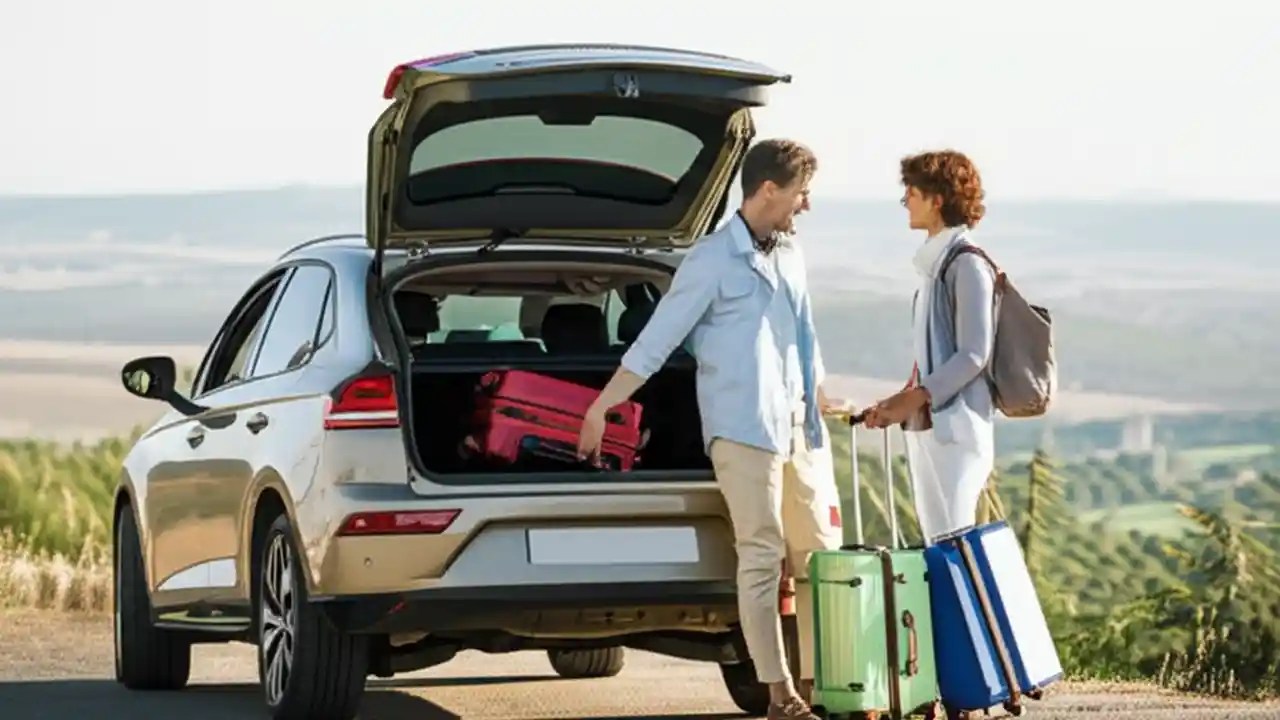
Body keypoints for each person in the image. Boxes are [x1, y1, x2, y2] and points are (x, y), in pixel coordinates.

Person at [576, 138, 849, 720]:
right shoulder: (709, 260)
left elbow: (805, 333)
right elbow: (657, 341)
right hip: (742, 430)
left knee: (820, 558)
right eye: (801, 193)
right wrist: (602, 407)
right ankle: (779, 693)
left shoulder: (791, 254)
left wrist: (820, 395)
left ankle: (824, 685)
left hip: (798, 427)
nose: (806, 205)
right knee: (762, 555)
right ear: (769, 189)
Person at [863, 149, 996, 542]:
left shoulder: (967, 264)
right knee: (939, 544)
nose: (905, 201)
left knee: (954, 544)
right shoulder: (935, 266)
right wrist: (901, 400)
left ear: (937, 200)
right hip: (935, 429)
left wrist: (918, 396)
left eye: (912, 193)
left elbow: (974, 354)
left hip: (958, 430)